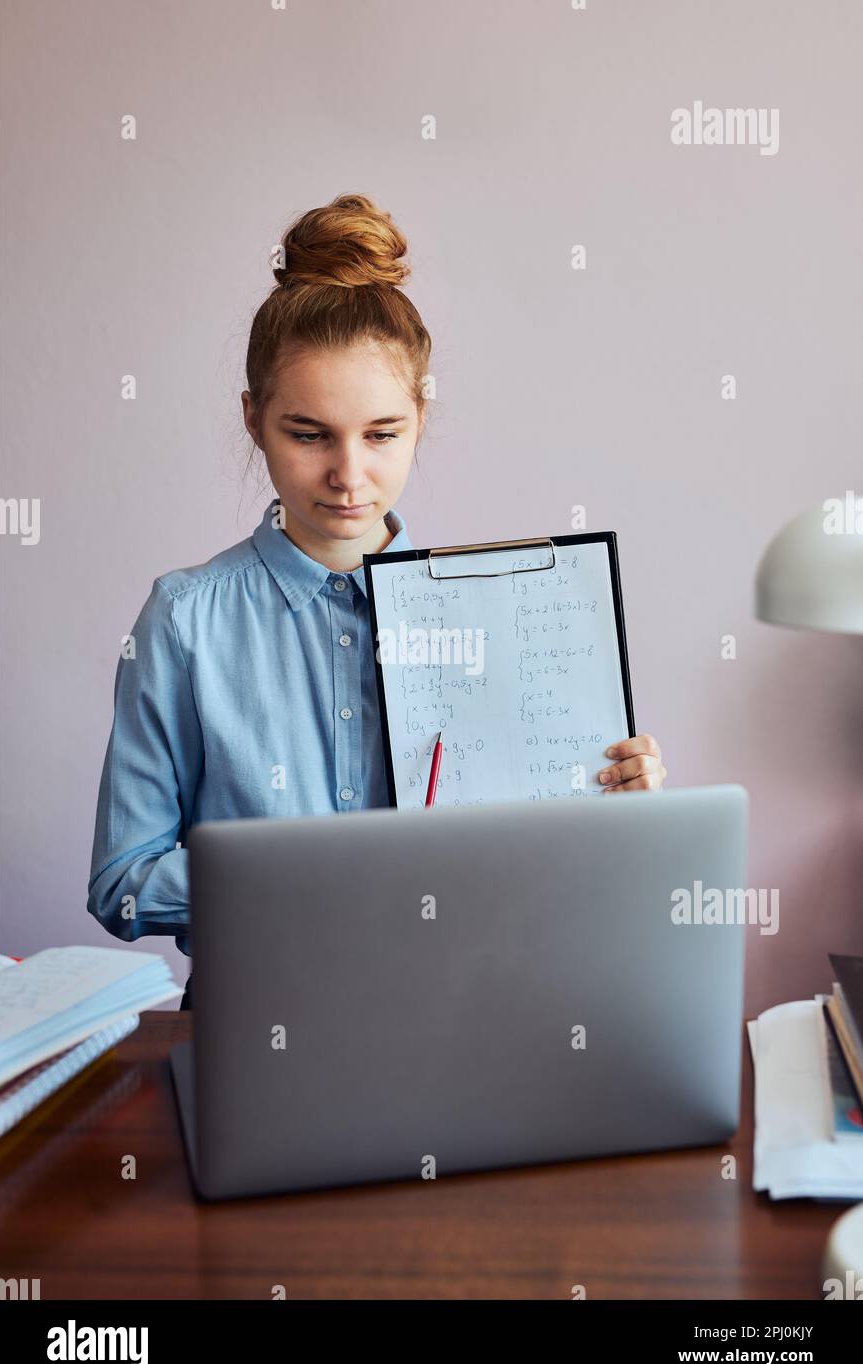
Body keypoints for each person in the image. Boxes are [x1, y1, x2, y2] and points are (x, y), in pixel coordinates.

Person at [87, 192, 668, 1009]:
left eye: (382, 433)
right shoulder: (186, 621)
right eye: (309, 432)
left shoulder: (505, 620)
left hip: (463, 1014)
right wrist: (299, 872)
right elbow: (121, 885)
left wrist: (627, 825)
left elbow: (546, 881)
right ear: (254, 421)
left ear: (421, 419)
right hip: (259, 1029)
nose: (348, 475)